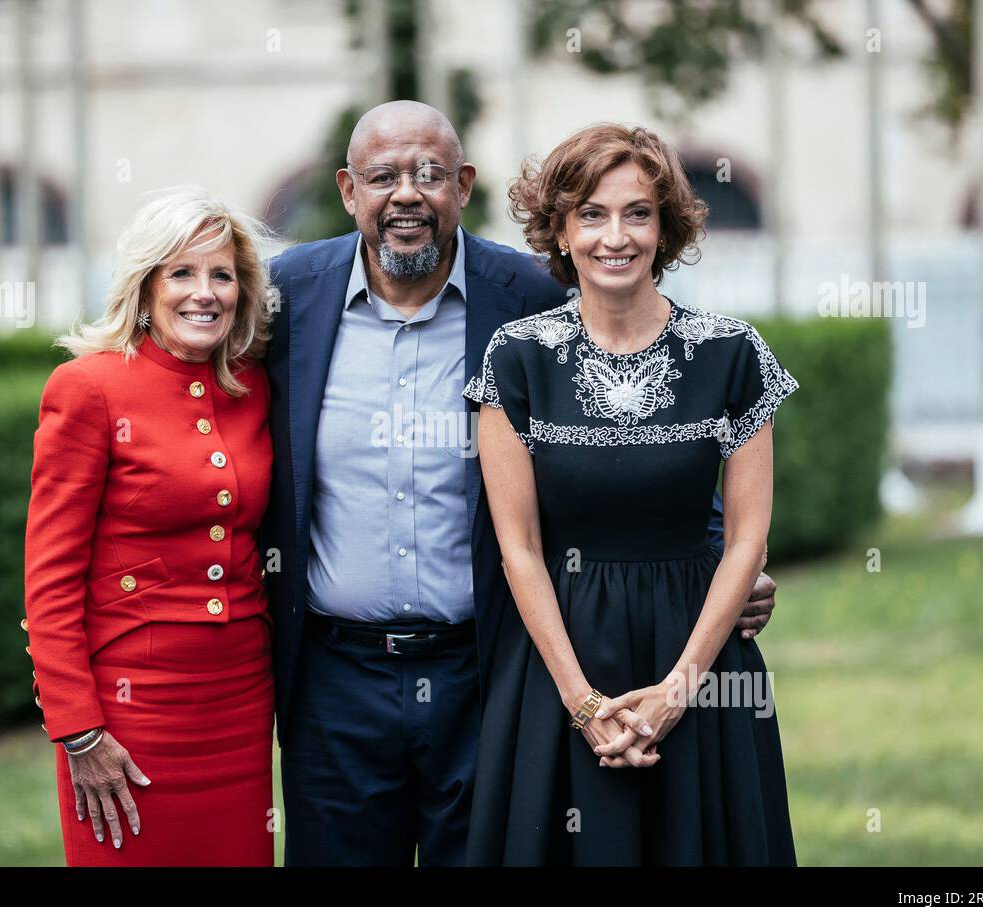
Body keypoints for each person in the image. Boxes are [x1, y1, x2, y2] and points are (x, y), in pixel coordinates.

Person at [262, 101, 781, 866]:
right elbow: (193, 397)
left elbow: (630, 438)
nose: (407, 194)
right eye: (383, 176)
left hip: (488, 667)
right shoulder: (286, 297)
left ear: (462, 185)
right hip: (335, 678)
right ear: (348, 190)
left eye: (430, 173)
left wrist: (723, 563)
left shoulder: (530, 299)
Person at [464, 123, 799, 865]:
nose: (615, 236)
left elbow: (748, 538)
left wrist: (679, 688)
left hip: (703, 658)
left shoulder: (731, 353)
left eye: (638, 212)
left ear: (666, 226)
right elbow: (517, 545)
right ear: (559, 229)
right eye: (591, 213)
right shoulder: (516, 358)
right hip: (559, 664)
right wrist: (584, 705)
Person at [23, 187, 276, 865]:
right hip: (130, 709)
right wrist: (77, 731)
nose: (205, 292)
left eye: (221, 274)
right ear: (145, 286)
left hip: (240, 701)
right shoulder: (87, 388)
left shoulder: (253, 387)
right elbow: (48, 582)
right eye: (182, 273)